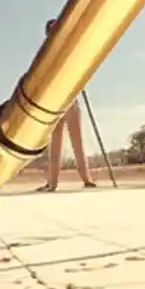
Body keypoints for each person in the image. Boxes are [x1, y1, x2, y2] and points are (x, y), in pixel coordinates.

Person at [37, 18, 97, 192]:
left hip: (71, 99)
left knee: (78, 142)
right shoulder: (45, 53)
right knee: (55, 145)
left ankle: (87, 179)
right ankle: (52, 182)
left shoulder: (70, 48)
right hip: (53, 102)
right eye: (51, 30)